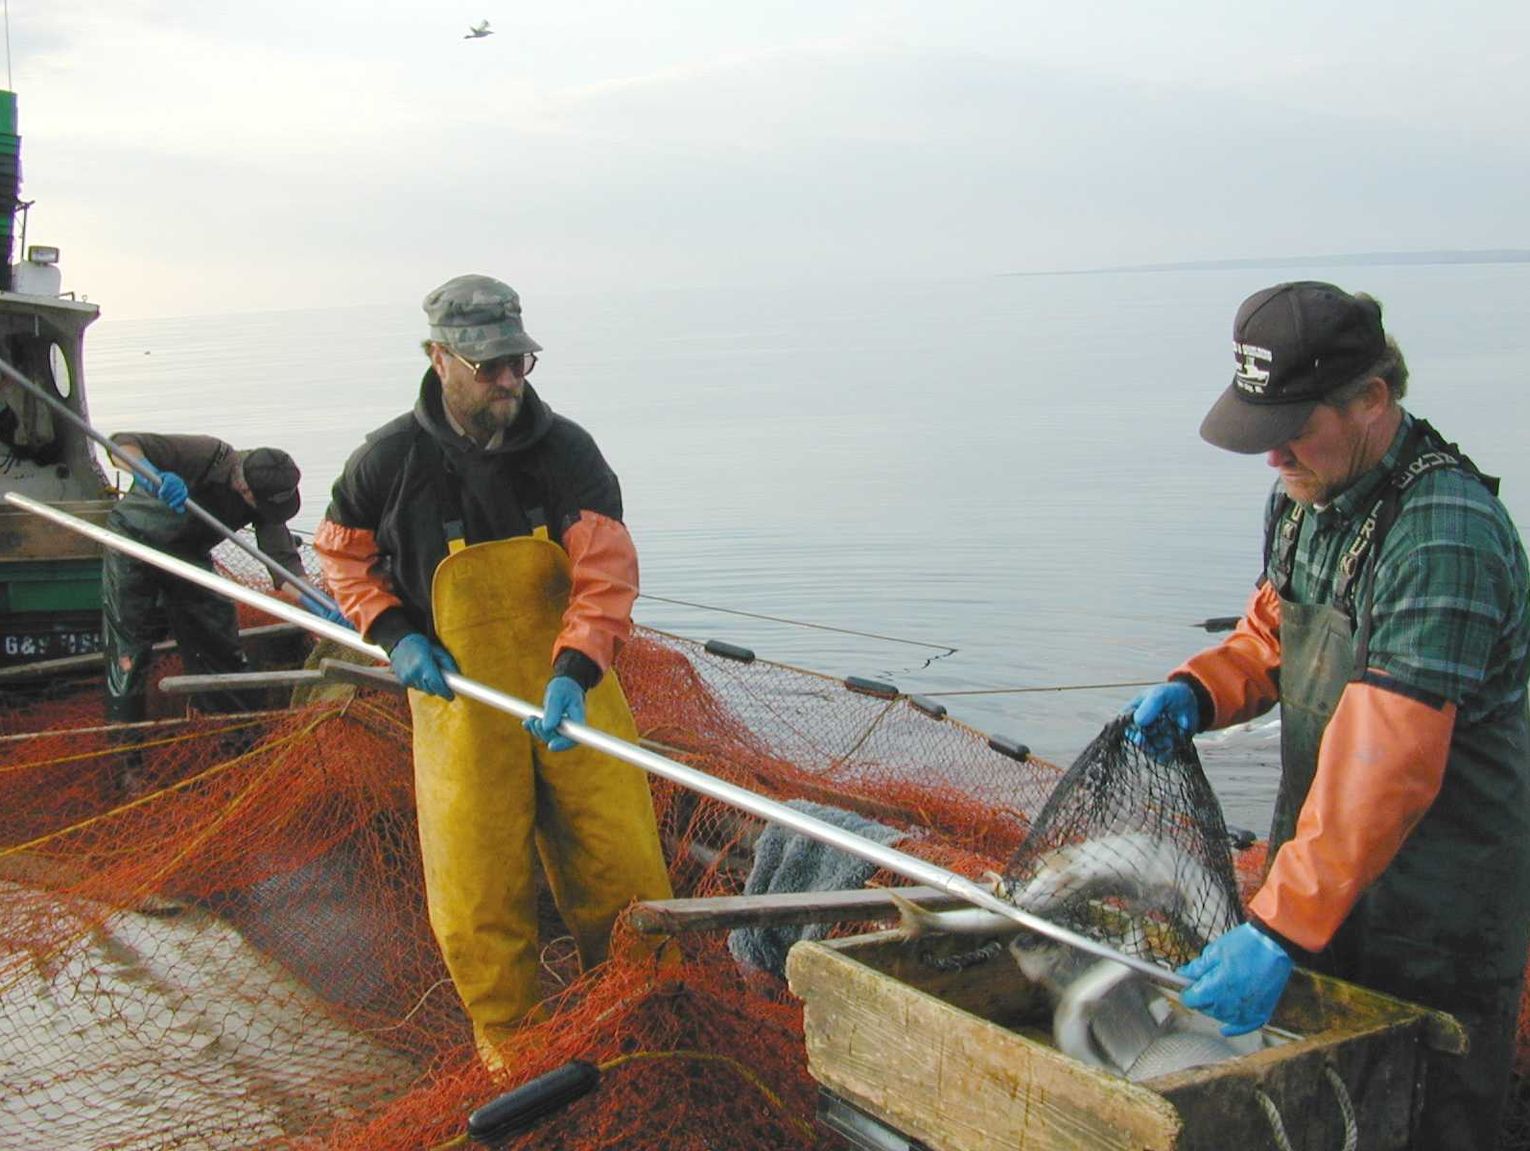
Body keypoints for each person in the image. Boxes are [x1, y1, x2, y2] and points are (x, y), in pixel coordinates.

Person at [1124, 281, 1530, 1149]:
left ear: (1372, 399)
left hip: (1436, 922)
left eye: (1291, 429)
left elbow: (1394, 759)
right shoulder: (1311, 494)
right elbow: (1275, 630)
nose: (1272, 459)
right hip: (1324, 890)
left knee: (1429, 1122)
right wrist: (1201, 689)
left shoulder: (1443, 531)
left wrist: (1275, 926)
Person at [313, 274, 672, 1066]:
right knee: (478, 892)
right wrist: (393, 629)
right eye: (489, 366)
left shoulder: (568, 453)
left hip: (574, 696)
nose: (509, 380)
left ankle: (642, 1022)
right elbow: (341, 556)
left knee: (622, 870)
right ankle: (512, 1048)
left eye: (519, 362)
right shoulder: (386, 461)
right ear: (438, 357)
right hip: (459, 702)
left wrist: (576, 668)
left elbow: (604, 575)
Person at [103, 434, 330, 724]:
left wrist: (319, 604)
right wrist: (148, 472)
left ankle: (234, 733)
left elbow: (283, 566)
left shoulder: (267, 497)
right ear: (243, 487)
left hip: (187, 552)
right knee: (130, 649)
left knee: (218, 636)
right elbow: (121, 445)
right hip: (133, 544)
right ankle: (127, 754)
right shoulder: (206, 454)